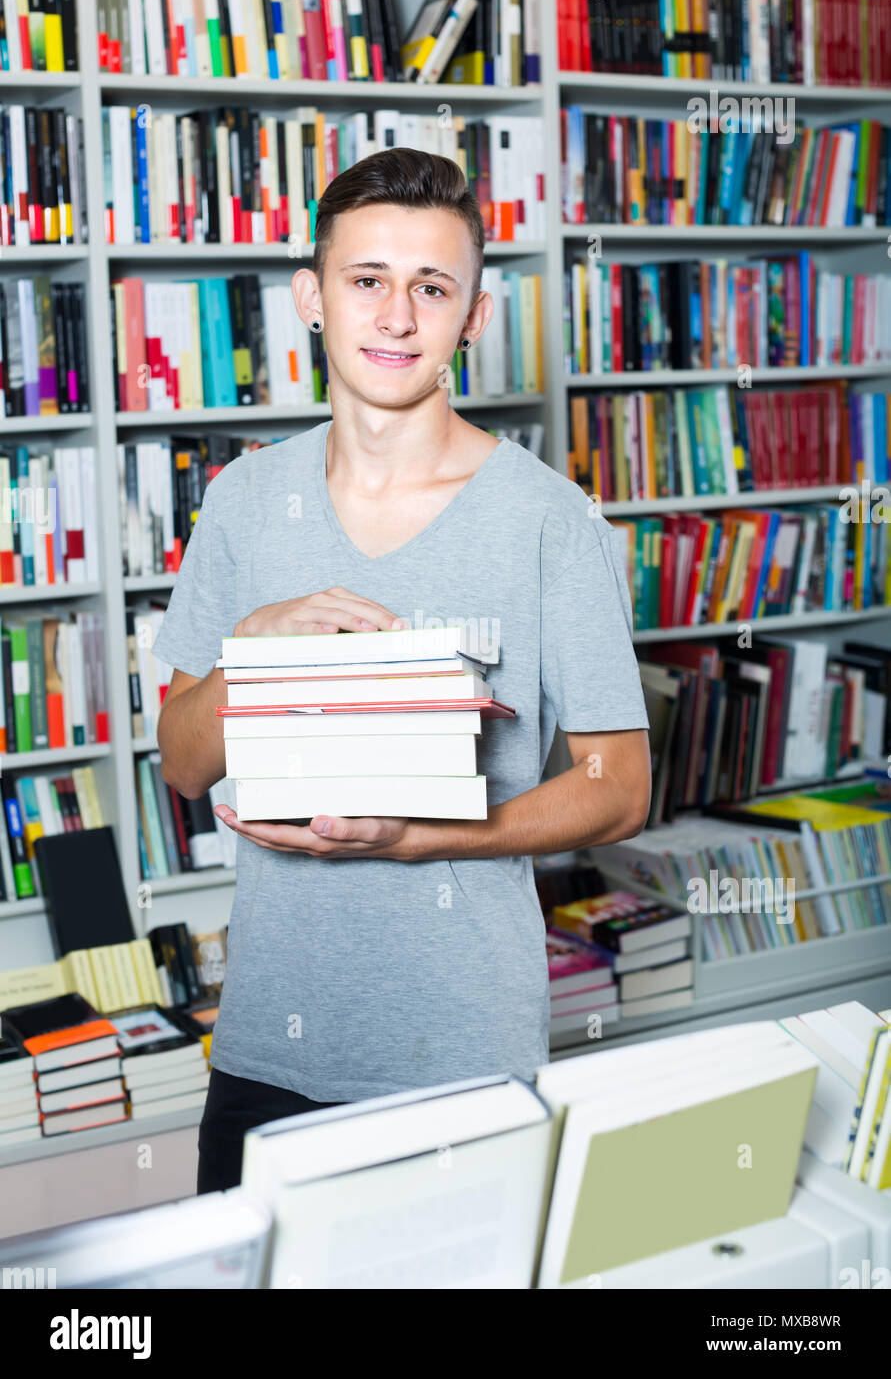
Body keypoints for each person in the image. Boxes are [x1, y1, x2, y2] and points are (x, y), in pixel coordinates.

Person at [153, 146, 652, 1195]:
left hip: (464, 1053)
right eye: (366, 279)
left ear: (473, 315)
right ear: (312, 298)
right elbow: (185, 763)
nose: (396, 317)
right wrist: (259, 646)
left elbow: (620, 789)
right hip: (268, 1055)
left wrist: (423, 839)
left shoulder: (551, 520)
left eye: (432, 287)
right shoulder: (245, 502)